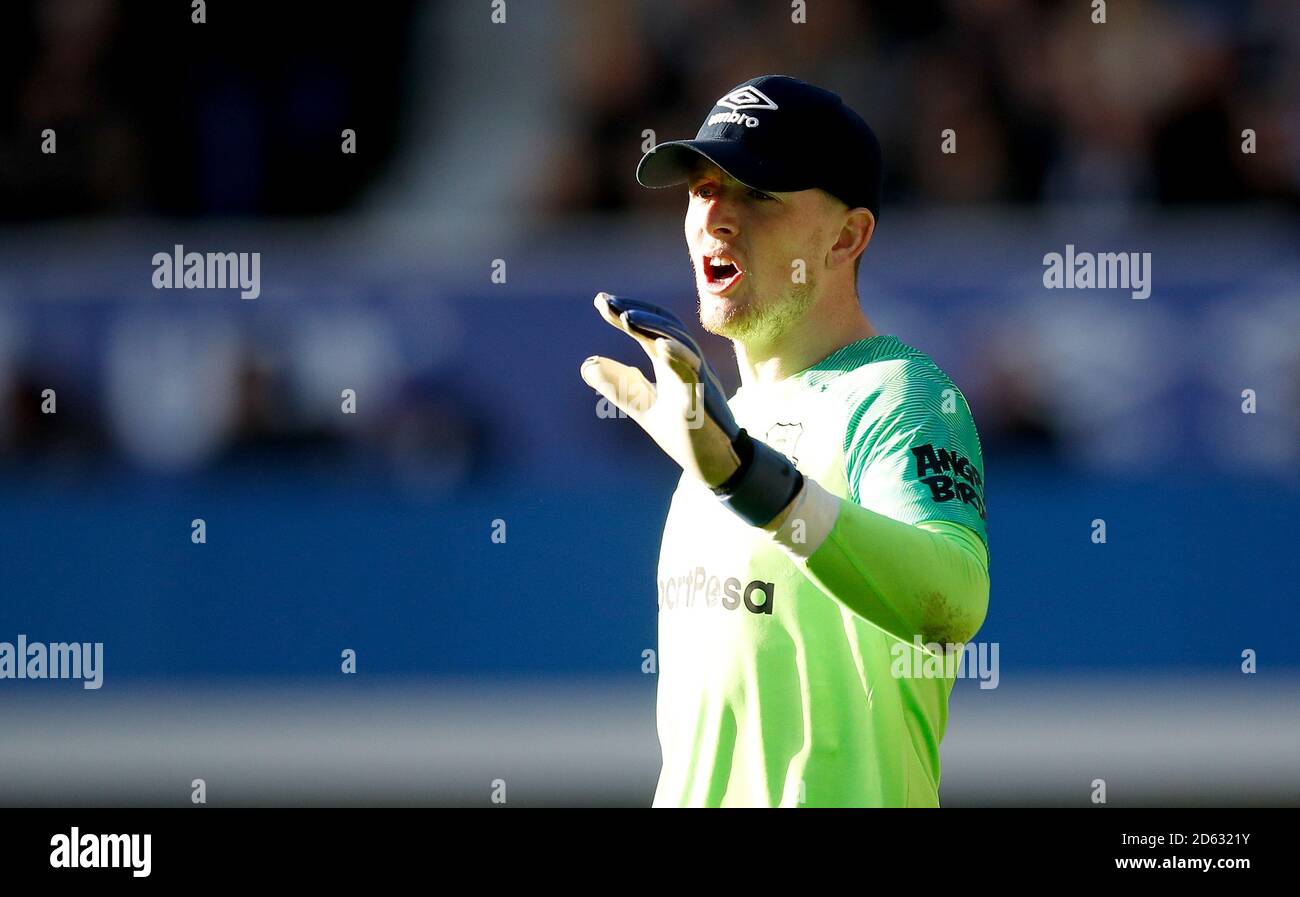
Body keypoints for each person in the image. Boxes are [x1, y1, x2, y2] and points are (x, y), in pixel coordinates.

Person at [580, 75, 990, 807]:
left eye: (759, 194)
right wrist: (731, 466)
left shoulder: (898, 393)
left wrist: (750, 483)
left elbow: (952, 598)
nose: (717, 218)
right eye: (703, 189)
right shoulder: (714, 435)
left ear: (847, 235)